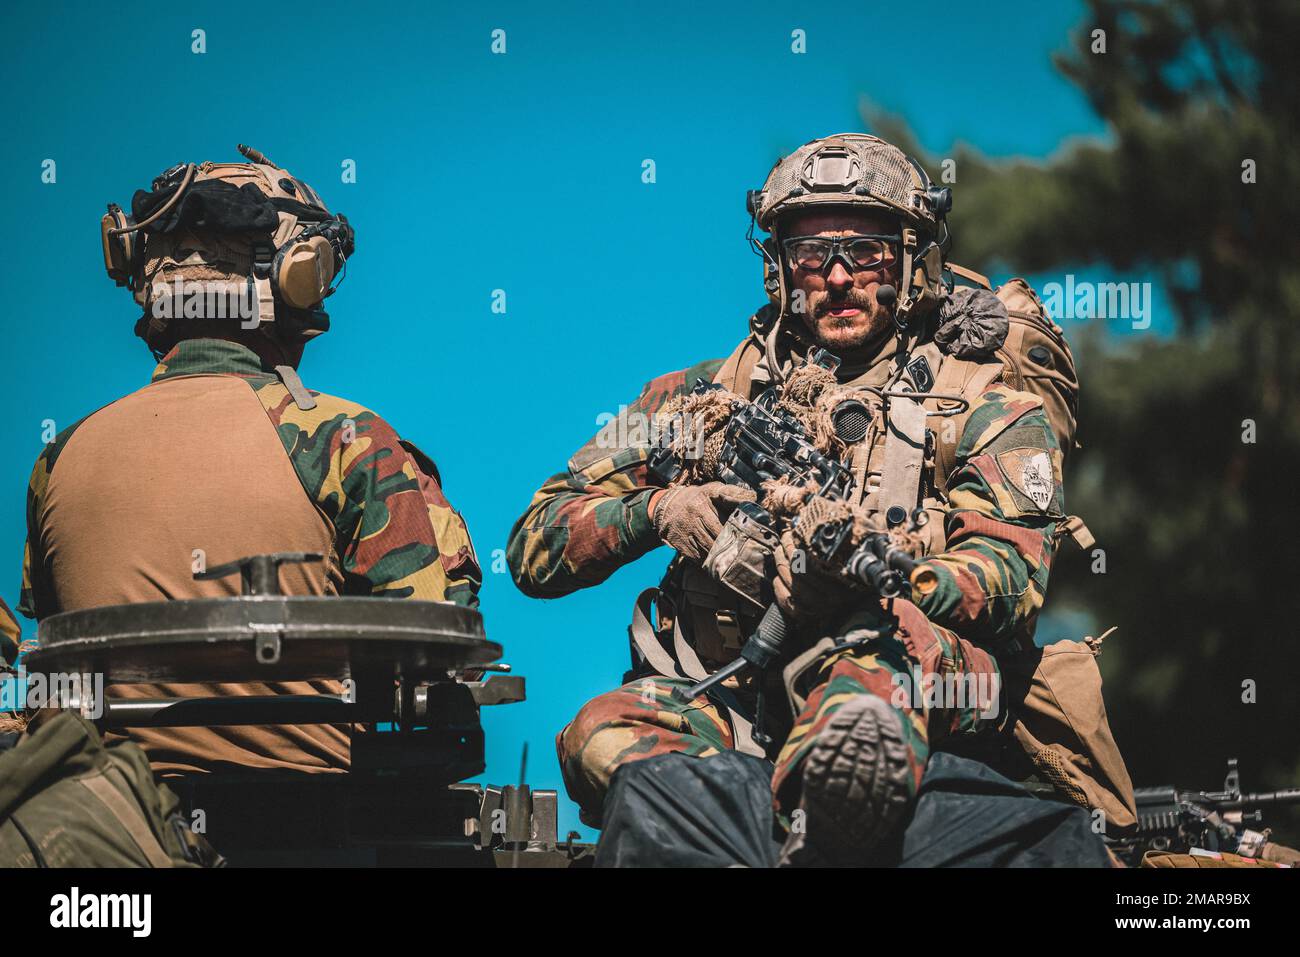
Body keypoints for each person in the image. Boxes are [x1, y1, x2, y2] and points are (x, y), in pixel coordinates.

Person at [508, 133, 1133, 864]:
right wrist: (656, 512)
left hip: (925, 680)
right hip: (737, 695)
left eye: (864, 251)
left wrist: (884, 577)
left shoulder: (987, 408)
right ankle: (777, 826)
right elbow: (533, 543)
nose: (837, 276)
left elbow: (1010, 575)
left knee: (864, 690)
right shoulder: (699, 400)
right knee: (600, 731)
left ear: (910, 259)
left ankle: (824, 806)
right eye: (811, 254)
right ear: (780, 272)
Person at [18, 146, 481, 776]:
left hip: (114, 832)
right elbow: (436, 650)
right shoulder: (344, 437)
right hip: (310, 822)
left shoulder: (61, 457)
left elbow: (52, 649)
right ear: (295, 277)